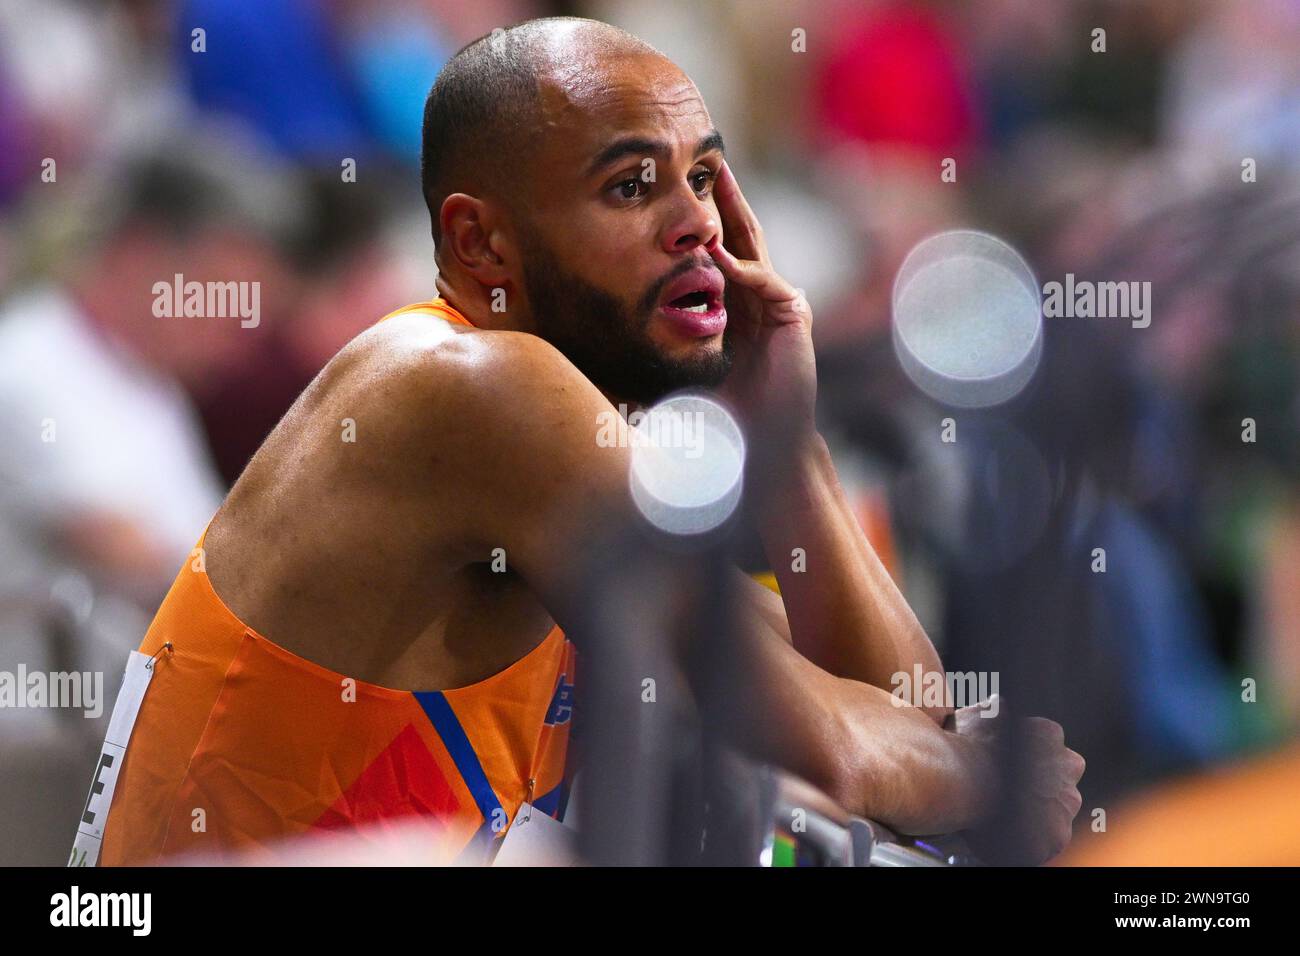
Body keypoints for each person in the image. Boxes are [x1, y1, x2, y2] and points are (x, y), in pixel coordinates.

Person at [96, 16, 1083, 866]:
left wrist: (785, 437)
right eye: (631, 187)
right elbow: (838, 750)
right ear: (482, 244)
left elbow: (891, 718)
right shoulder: (470, 386)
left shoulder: (587, 447)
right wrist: (982, 775)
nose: (700, 224)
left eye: (704, 176)